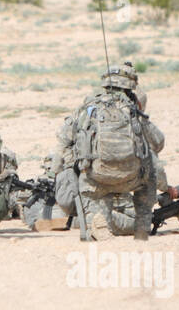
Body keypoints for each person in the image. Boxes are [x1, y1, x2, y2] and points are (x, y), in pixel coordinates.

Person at [45, 64, 172, 240]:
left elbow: (63, 141)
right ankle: (142, 229)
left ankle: (98, 225)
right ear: (130, 86)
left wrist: (56, 170)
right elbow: (158, 142)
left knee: (89, 185)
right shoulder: (133, 111)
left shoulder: (88, 109)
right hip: (132, 179)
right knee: (149, 176)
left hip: (98, 179)